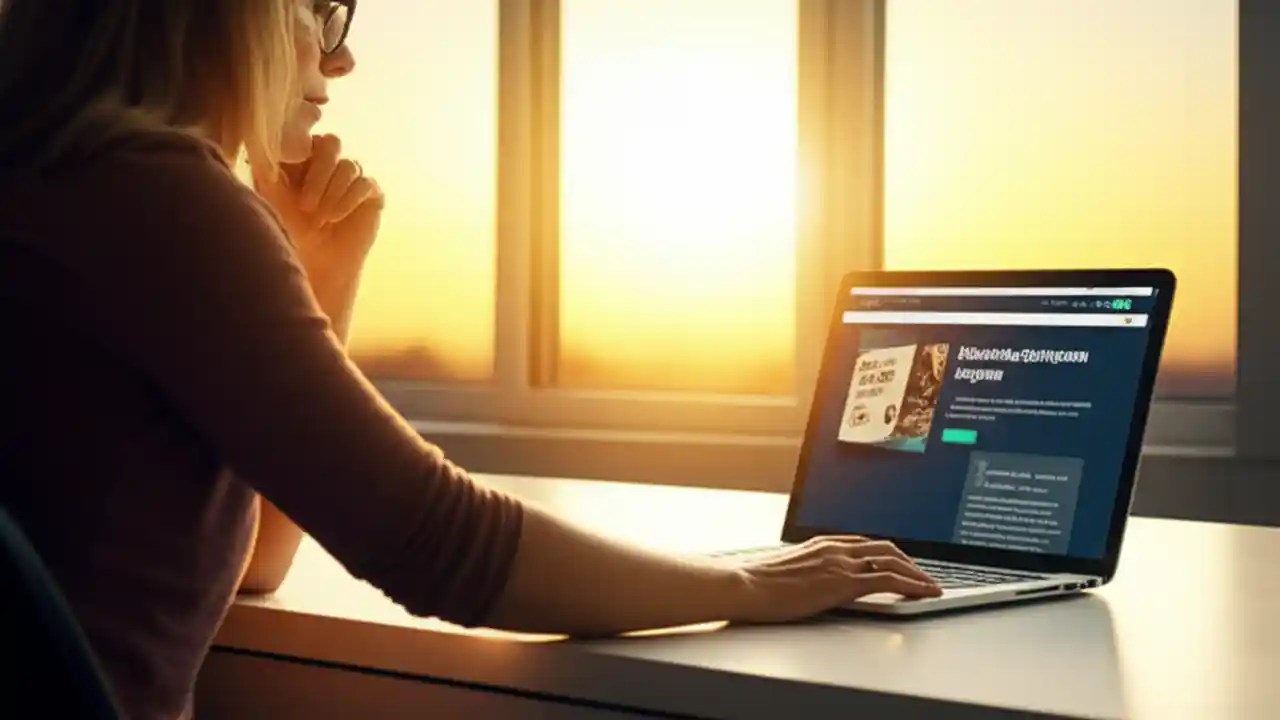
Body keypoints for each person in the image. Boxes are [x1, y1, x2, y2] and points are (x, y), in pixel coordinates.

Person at [0, 2, 941, 718]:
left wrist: (318, 275)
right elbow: (440, 544)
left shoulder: (50, 180)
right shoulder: (158, 200)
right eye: (317, 7)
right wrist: (750, 584)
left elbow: (254, 564)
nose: (341, 54)